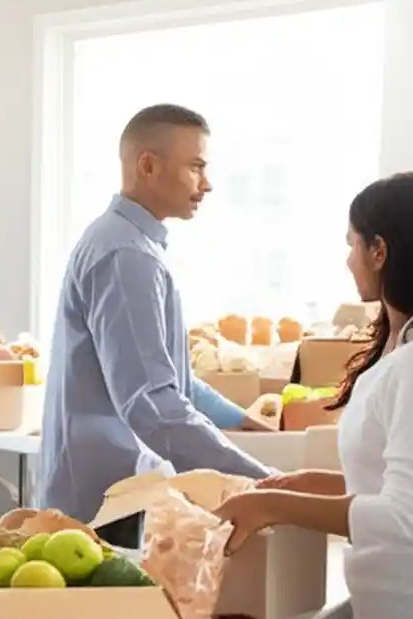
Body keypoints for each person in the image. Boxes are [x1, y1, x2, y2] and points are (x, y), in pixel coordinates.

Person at [214, 173, 413, 619]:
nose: (348, 259)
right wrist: (312, 485)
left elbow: (406, 517)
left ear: (380, 250)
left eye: (352, 243)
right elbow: (396, 482)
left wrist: (275, 504)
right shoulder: (405, 349)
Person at [38, 104, 272, 548]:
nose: (207, 184)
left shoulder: (132, 244)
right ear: (148, 165)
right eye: (196, 167)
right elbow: (150, 403)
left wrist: (244, 422)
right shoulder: (127, 256)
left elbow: (172, 381)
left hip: (121, 485)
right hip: (105, 496)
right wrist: (266, 482)